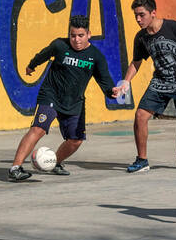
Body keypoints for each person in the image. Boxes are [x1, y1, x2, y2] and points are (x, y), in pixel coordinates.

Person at [8, 15, 123, 181]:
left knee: (75, 140)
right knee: (38, 129)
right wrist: (32, 65)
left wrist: (111, 91)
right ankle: (15, 168)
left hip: (74, 101)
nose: (76, 40)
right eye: (73, 35)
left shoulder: (95, 56)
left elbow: (104, 80)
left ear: (89, 34)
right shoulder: (60, 45)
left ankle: (55, 162)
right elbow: (43, 55)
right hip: (51, 94)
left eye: (80, 35)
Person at [114, 0, 176, 173]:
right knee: (140, 115)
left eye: (142, 15)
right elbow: (137, 62)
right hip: (160, 83)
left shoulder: (173, 27)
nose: (138, 19)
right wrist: (126, 81)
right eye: (136, 16)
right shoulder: (141, 38)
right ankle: (142, 160)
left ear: (153, 12)